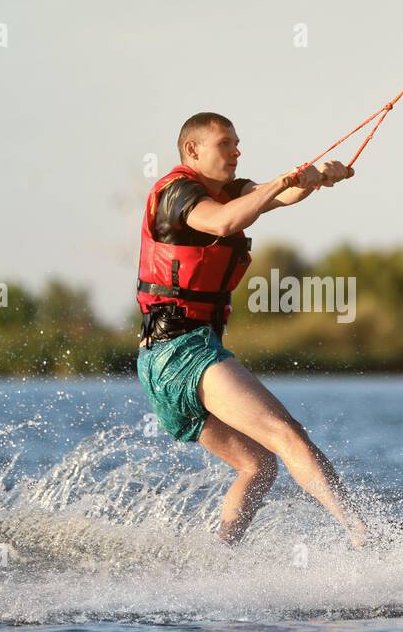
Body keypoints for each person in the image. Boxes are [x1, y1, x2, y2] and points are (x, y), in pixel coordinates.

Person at [135, 112, 368, 547]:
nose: (237, 151)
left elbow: (277, 197)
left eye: (238, 143)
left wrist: (318, 179)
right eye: (226, 144)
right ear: (193, 150)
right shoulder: (177, 193)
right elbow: (224, 222)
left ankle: (219, 560)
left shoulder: (230, 190)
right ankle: (367, 537)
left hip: (162, 361)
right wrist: (282, 183)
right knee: (286, 433)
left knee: (258, 465)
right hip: (180, 352)